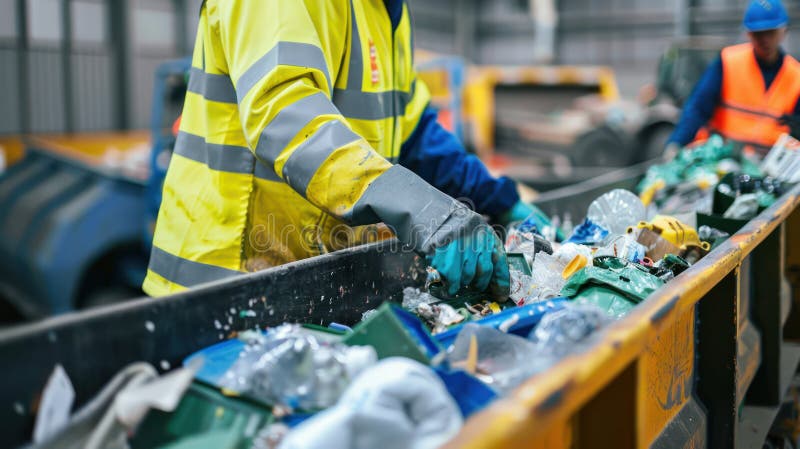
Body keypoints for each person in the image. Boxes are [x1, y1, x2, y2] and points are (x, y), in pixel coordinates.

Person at [143, 0, 537, 299]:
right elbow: (286, 116)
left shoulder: (383, 11)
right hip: (224, 287)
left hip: (308, 285)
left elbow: (412, 131)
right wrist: (426, 213)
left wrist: (499, 199)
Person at [665, 0, 800, 157]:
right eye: (758, 34)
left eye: (770, 32)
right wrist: (676, 143)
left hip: (771, 166)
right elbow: (698, 107)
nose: (765, 40)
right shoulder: (729, 62)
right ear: (748, 33)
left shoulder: (796, 76)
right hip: (724, 159)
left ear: (784, 30)